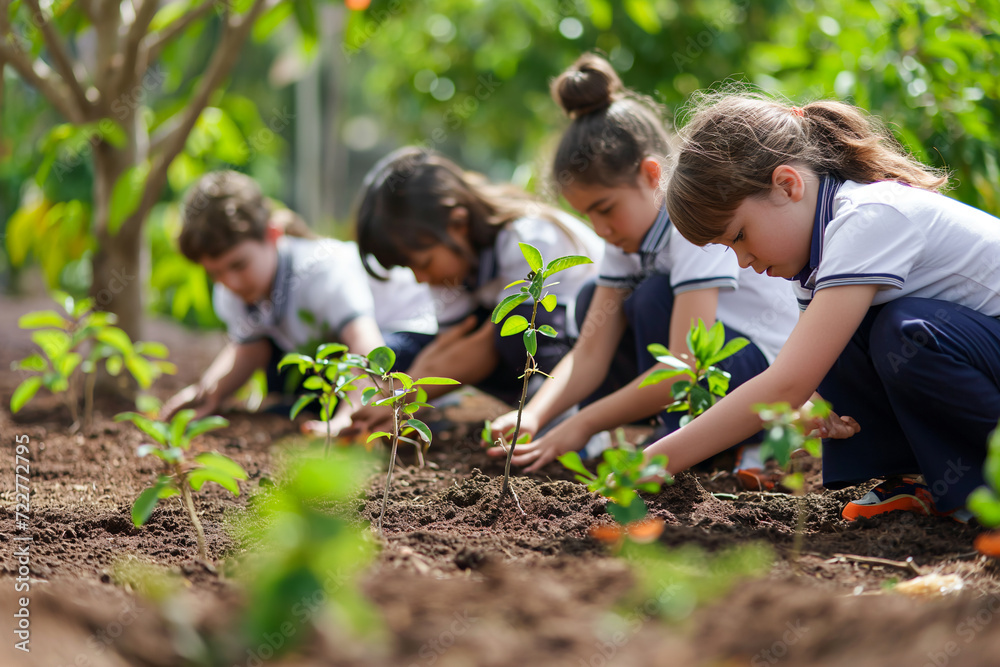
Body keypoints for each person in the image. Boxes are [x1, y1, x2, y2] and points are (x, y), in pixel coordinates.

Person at [648, 92, 1000, 522]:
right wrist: (816, 399)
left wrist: (648, 465)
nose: (743, 262)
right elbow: (807, 369)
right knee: (856, 332)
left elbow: (784, 384)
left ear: (787, 184)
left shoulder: (869, 219)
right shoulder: (816, 257)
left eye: (738, 236)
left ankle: (983, 490)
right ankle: (915, 478)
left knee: (904, 331)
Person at [486, 54, 798, 480]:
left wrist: (584, 422)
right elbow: (591, 351)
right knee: (593, 301)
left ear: (651, 175)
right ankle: (688, 439)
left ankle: (709, 443)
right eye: (587, 216)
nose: (600, 229)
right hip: (707, 368)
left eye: (605, 209)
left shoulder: (691, 225)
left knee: (651, 295)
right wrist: (533, 415)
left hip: (759, 366)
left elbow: (685, 364)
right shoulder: (626, 237)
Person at [160, 170, 437, 432]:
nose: (230, 282)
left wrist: (348, 417)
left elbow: (368, 348)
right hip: (346, 350)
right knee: (284, 369)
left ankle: (397, 410)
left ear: (272, 234)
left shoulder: (320, 270)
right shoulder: (233, 290)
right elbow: (250, 346)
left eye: (239, 265)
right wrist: (209, 392)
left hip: (406, 334)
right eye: (215, 272)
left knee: (386, 357)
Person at [352, 146, 604, 423]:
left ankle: (563, 416)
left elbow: (484, 348)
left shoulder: (526, 238)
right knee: (403, 352)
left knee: (516, 329)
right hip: (530, 352)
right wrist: (403, 393)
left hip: (592, 355)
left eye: (423, 263)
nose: (420, 279)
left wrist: (403, 397)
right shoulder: (456, 261)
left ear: (458, 222)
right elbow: (452, 342)